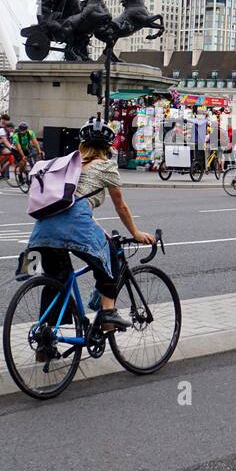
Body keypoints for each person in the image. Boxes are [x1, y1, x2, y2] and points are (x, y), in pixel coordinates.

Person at [27, 118, 155, 343]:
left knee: (56, 281)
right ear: (108, 148)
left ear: (82, 144)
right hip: (75, 224)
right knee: (111, 261)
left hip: (42, 228)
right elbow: (120, 206)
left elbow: (70, 205)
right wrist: (135, 233)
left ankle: (45, 340)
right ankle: (107, 314)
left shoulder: (66, 164)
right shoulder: (106, 166)